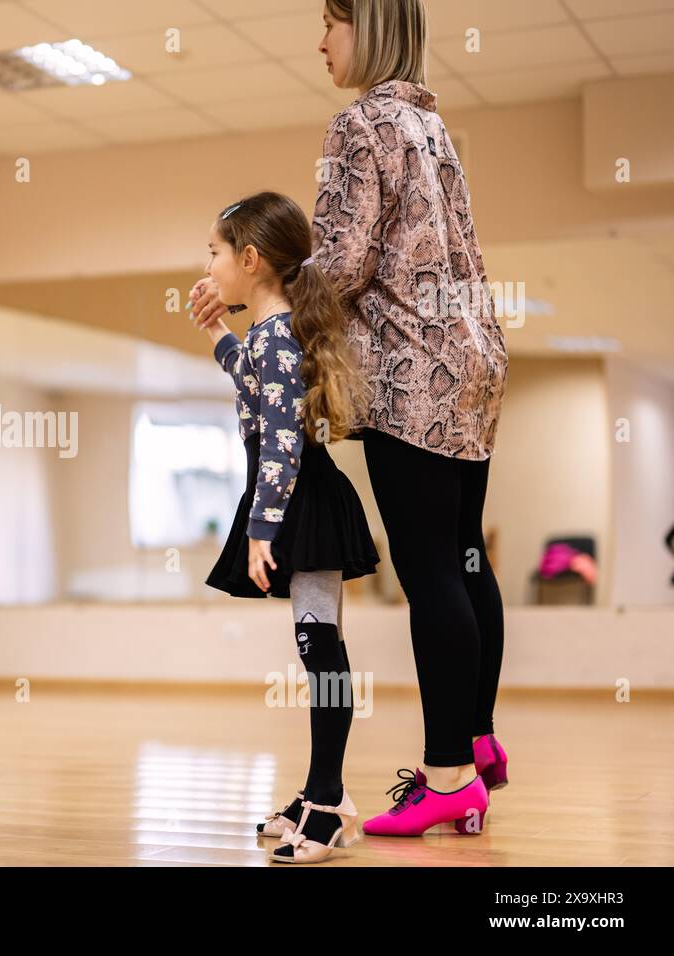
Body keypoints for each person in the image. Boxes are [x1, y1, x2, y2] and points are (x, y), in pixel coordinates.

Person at [193, 0, 509, 837]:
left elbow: (343, 257)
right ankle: (473, 742)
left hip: (416, 374)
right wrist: (238, 327)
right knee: (466, 555)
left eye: (330, 24)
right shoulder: (432, 127)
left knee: (430, 568)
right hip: (476, 363)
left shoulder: (361, 121)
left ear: (363, 28)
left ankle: (444, 777)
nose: (321, 42)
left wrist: (269, 299)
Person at [194, 191, 379, 863]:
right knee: (316, 646)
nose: (208, 266)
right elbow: (258, 389)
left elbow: (282, 443)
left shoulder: (278, 334)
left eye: (214, 253)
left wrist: (261, 528)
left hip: (300, 499)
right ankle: (318, 789)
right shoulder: (272, 332)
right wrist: (216, 333)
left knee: (319, 648)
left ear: (250, 259)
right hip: (300, 497)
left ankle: (328, 801)